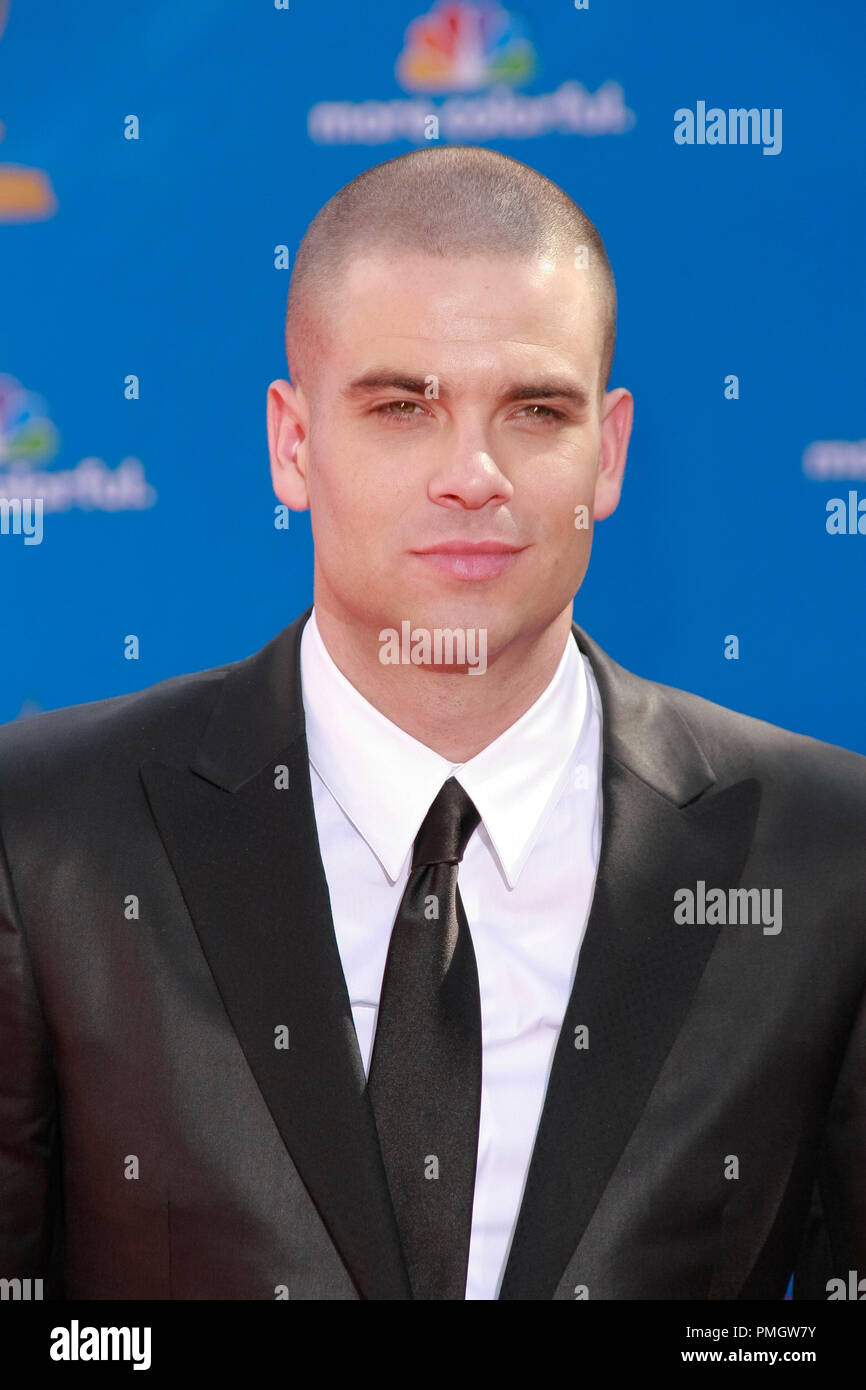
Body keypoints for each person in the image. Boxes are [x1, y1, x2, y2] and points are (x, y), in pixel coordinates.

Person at [1, 145, 864, 1302]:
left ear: (604, 455)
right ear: (293, 443)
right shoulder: (47, 831)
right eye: (403, 406)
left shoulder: (824, 852)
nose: (472, 472)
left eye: (533, 408)